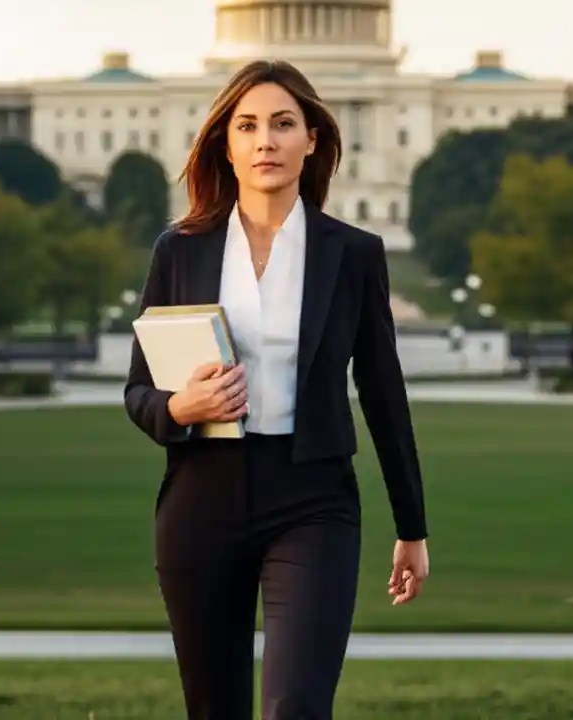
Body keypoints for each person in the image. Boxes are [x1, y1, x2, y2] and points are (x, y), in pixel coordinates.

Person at [123, 58, 430, 720]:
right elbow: (139, 394)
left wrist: (412, 526)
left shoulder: (351, 254)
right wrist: (180, 408)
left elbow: (383, 393)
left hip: (312, 500)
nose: (266, 140)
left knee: (296, 706)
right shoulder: (179, 251)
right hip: (201, 497)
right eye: (249, 125)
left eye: (284, 124)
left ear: (312, 140)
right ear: (226, 144)